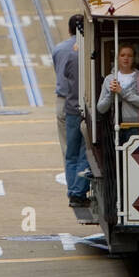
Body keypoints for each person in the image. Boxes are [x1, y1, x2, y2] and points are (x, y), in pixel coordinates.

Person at [53, 14, 90, 207]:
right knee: (85, 150)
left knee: (69, 150)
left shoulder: (59, 49)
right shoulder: (86, 49)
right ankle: (78, 190)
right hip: (81, 104)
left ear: (69, 30)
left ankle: (72, 190)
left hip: (63, 102)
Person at [97, 44, 139, 147]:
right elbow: (100, 108)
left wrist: (122, 92)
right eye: (122, 55)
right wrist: (110, 95)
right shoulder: (110, 79)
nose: (126, 58)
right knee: (120, 160)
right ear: (117, 58)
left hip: (137, 126)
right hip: (116, 125)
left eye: (129, 55)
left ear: (133, 58)